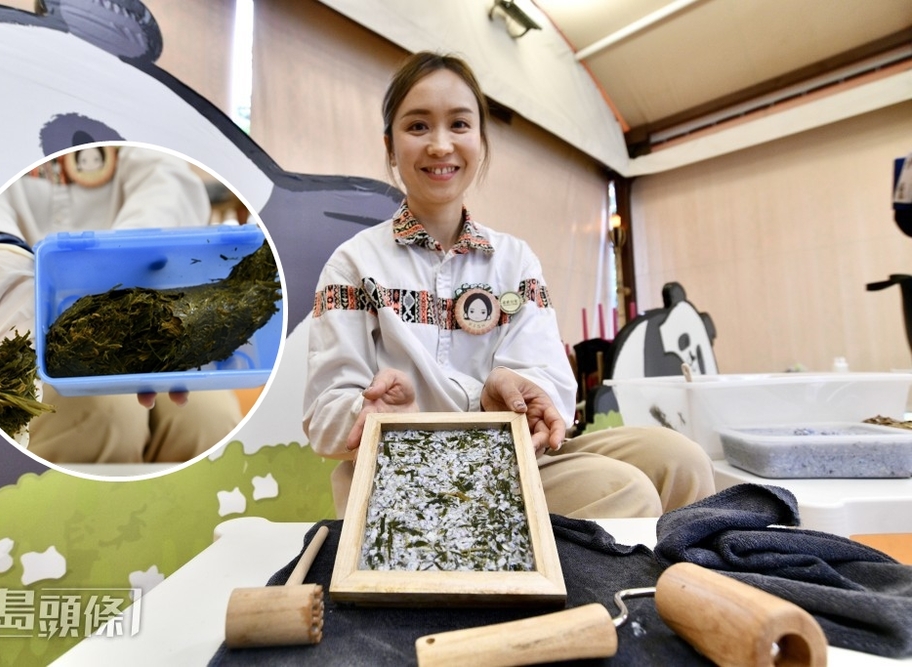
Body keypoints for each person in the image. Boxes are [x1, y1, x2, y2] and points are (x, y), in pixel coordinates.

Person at [302, 51, 715, 518]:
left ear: (481, 139)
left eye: (459, 124)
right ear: (390, 147)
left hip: (511, 458)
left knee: (683, 461)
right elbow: (325, 416)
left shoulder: (515, 260)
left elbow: (549, 386)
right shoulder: (353, 264)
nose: (440, 145)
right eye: (418, 126)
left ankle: (681, 585)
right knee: (624, 491)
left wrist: (510, 390)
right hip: (407, 477)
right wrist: (381, 414)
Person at [0, 144, 243, 464]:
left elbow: (167, 176)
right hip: (18, 304)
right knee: (102, 416)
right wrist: (0, 245)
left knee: (209, 418)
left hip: (145, 298)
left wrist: (125, 255)